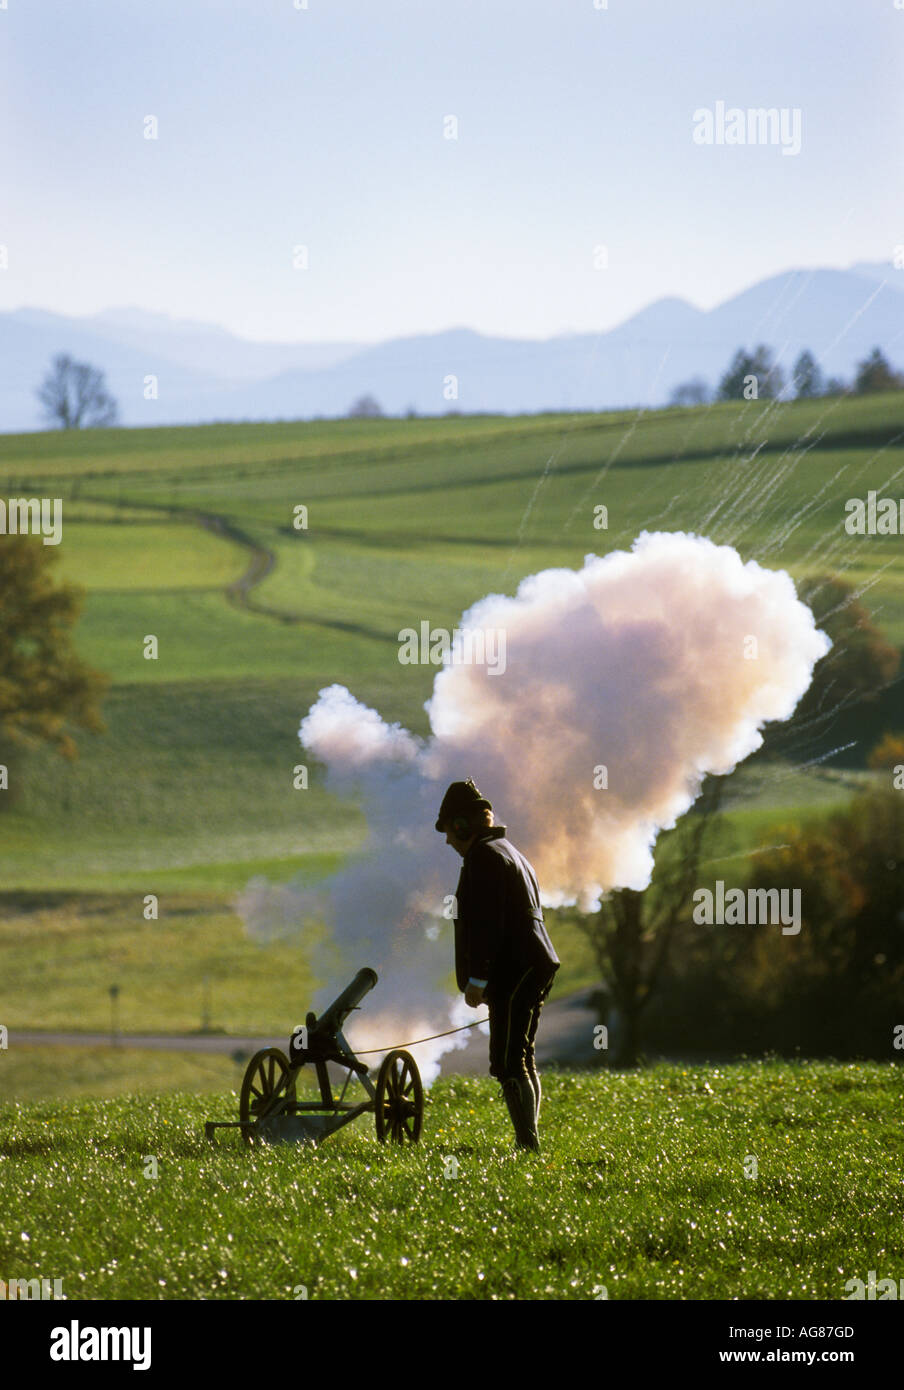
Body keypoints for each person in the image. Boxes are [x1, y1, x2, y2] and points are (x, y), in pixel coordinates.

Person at [436, 778, 559, 1152]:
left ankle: (528, 1147)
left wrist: (477, 978)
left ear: (463, 825)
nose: (447, 841)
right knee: (521, 1055)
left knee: (507, 1064)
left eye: (449, 830)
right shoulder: (508, 850)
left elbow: (489, 923)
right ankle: (530, 1143)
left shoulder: (483, 857)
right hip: (532, 963)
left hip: (513, 968)